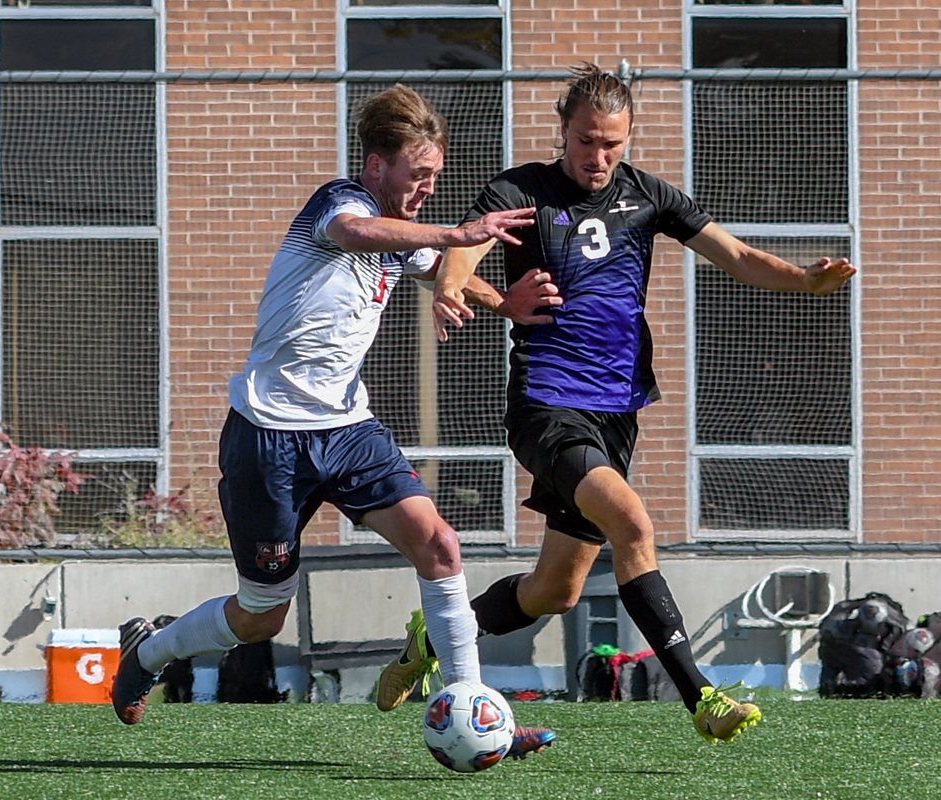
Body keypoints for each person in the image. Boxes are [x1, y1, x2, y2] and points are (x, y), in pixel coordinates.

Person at [376, 64, 856, 743]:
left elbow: (738, 254)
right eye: (584, 141)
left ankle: (433, 637)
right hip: (546, 406)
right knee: (633, 524)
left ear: (629, 137)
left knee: (554, 591)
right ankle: (702, 697)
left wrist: (804, 282)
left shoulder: (648, 196)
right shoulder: (519, 191)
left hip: (615, 414)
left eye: (611, 144)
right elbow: (462, 256)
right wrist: (460, 288)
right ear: (562, 131)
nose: (597, 157)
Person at [110, 84, 555, 757]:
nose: (430, 188)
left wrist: (506, 303)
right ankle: (150, 655)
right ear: (377, 166)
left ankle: (474, 706)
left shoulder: (403, 232)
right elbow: (359, 233)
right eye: (420, 174)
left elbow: (442, 274)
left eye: (437, 176)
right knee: (262, 616)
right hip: (268, 435)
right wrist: (457, 234)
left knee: (440, 547)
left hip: (348, 431)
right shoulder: (340, 203)